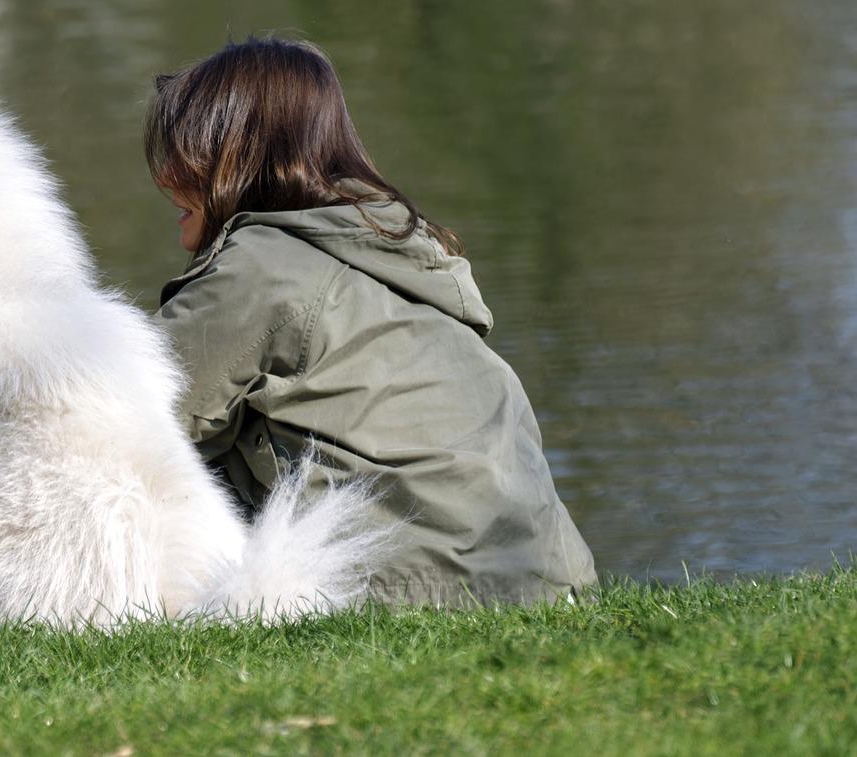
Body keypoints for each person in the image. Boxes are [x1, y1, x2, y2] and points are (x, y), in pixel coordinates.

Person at [146, 36, 596, 607]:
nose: (164, 176)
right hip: (550, 584)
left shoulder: (262, 270)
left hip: (412, 593)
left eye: (187, 153)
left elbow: (108, 426)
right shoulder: (404, 257)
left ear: (243, 156)